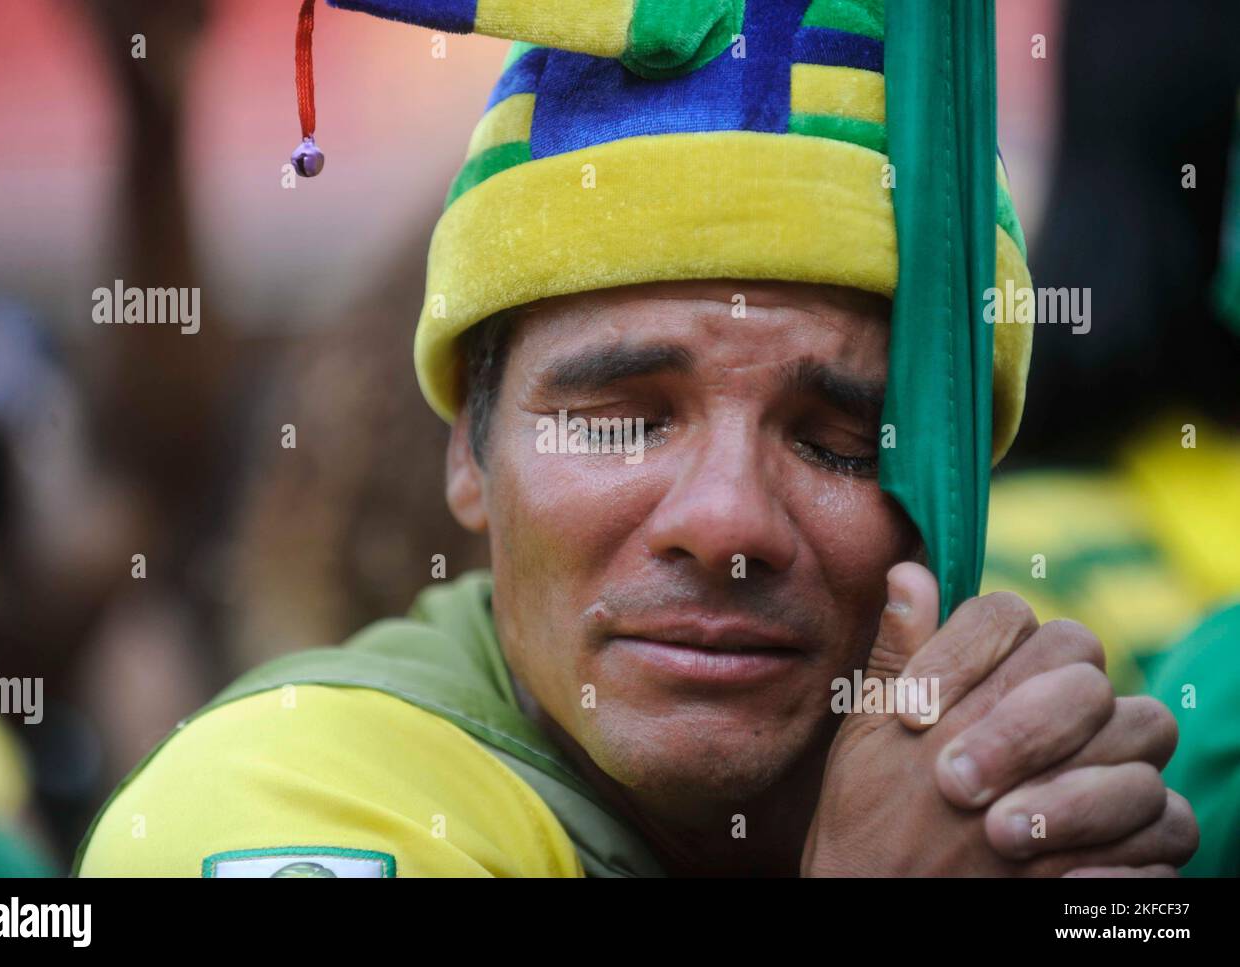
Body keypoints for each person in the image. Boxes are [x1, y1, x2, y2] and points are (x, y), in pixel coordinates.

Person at [76, 0, 1197, 877]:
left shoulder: (1083, 772)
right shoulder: (269, 807)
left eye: (841, 438)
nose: (725, 523)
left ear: (964, 484)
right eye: (621, 420)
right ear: (469, 446)